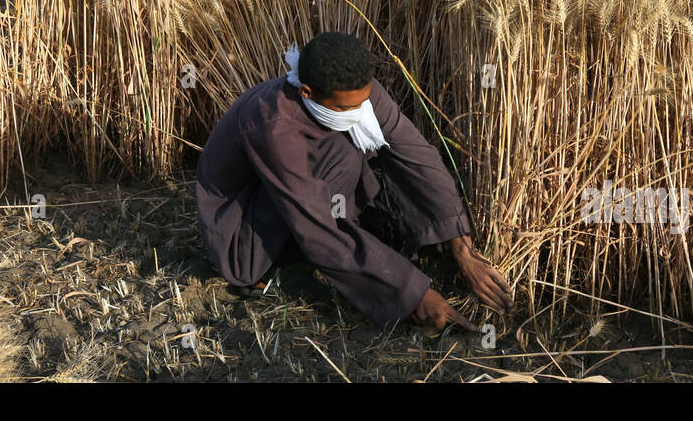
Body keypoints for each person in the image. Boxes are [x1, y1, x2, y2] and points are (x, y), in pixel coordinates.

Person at [196, 31, 514, 330]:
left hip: (306, 200)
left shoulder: (357, 90)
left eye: (364, 101)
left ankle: (354, 249)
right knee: (345, 153)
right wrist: (413, 295)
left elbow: (416, 156)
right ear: (307, 92)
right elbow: (314, 223)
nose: (361, 111)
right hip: (243, 233)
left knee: (354, 149)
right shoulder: (273, 124)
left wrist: (460, 244)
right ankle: (282, 268)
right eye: (347, 107)